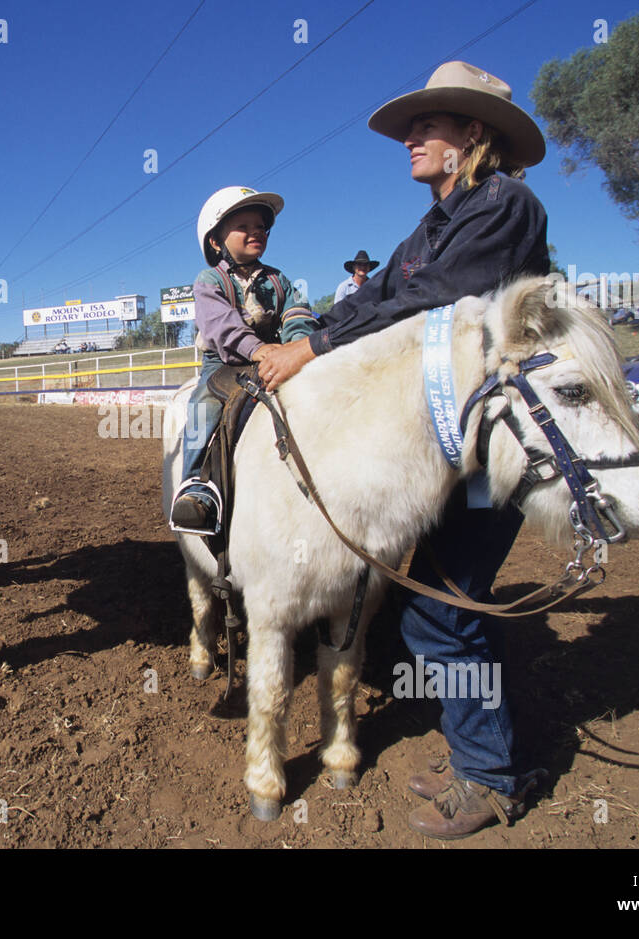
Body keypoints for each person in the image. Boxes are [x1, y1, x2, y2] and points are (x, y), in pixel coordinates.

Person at [259, 62, 551, 839]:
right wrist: (302, 334)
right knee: (442, 607)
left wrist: (316, 347)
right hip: (444, 441)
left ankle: (491, 775)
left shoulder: (506, 206)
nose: (412, 140)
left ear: (474, 136)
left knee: (442, 610)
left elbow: (433, 299)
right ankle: (474, 754)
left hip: (492, 446)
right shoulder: (429, 227)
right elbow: (380, 293)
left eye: (428, 127)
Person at [168, 186, 316, 534]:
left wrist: (296, 346)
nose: (256, 232)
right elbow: (221, 327)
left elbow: (298, 314)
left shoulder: (279, 280)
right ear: (216, 241)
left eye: (261, 227)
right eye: (244, 226)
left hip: (275, 356)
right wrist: (258, 349)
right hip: (224, 364)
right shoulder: (210, 281)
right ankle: (196, 488)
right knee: (204, 407)